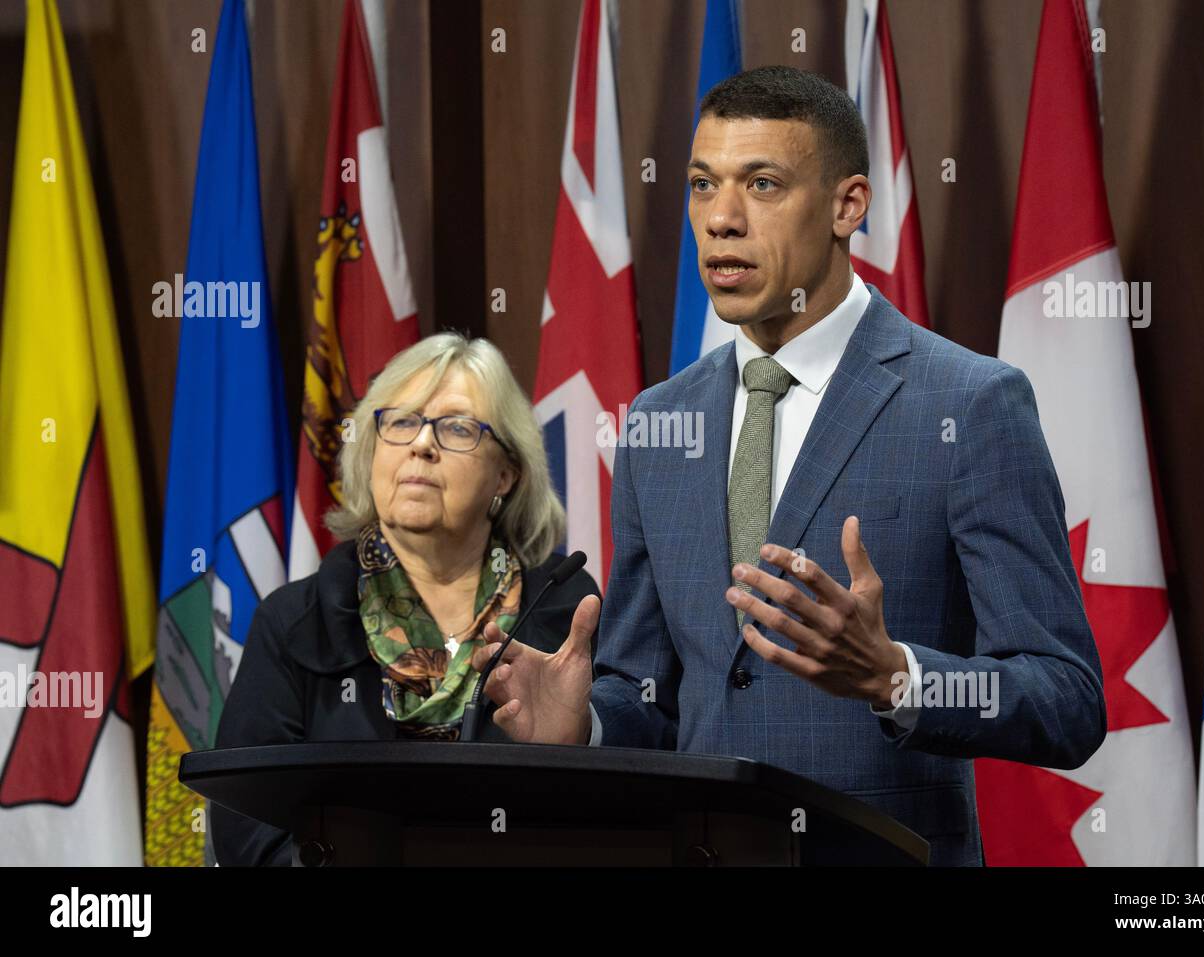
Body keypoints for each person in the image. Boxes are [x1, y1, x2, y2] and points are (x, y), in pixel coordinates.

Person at [472, 66, 1106, 866]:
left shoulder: (971, 404)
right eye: (703, 185)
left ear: (848, 205)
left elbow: (1068, 700)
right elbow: (653, 695)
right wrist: (586, 724)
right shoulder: (659, 424)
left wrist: (898, 676)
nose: (721, 220)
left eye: (762, 184)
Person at [210, 332, 601, 866]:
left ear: (505, 474)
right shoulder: (296, 623)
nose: (422, 444)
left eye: (457, 427)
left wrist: (576, 742)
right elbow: (247, 825)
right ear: (372, 453)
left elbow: (617, 818)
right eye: (401, 422)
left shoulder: (562, 614)